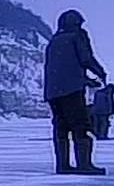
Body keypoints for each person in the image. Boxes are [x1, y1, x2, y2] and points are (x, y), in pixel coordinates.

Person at [42, 9, 108, 175]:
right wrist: (100, 72)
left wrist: (86, 80)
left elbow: (63, 69)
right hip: (72, 91)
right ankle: (84, 164)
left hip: (53, 92)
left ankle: (62, 165)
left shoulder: (54, 40)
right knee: (81, 125)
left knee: (61, 127)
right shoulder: (77, 36)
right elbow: (85, 59)